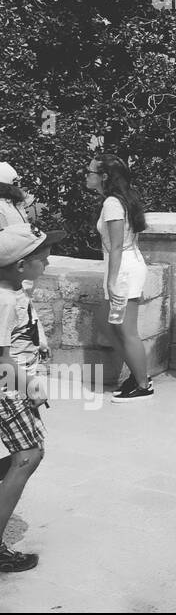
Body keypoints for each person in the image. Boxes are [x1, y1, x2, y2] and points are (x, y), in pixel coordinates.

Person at [0, 225, 64, 572]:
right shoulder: (5, 299)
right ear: (19, 267)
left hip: (13, 382)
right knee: (28, 455)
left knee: (20, 455)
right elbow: (2, 359)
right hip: (10, 386)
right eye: (41, 258)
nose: (47, 261)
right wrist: (31, 387)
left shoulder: (9, 292)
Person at [86, 155, 153, 402]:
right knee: (108, 324)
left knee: (126, 331)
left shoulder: (113, 204)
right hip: (122, 267)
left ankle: (143, 384)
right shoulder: (116, 200)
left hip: (122, 270)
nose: (87, 175)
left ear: (104, 176)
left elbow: (116, 246)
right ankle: (138, 374)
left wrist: (112, 282)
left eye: (91, 171)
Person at [0, 163, 33, 231]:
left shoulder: (14, 203)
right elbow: (4, 235)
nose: (19, 186)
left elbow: (26, 227)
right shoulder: (1, 206)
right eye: (15, 183)